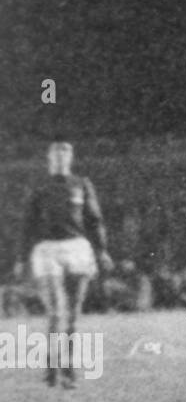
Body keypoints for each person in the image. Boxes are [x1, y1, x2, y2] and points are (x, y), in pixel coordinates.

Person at [15, 140, 113, 388]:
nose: (60, 156)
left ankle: (68, 369)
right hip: (47, 250)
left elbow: (94, 220)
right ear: (49, 158)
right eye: (56, 152)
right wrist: (21, 257)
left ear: (70, 157)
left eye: (65, 152)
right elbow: (27, 224)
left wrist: (101, 250)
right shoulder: (38, 188)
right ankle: (51, 366)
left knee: (73, 315)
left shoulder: (81, 184)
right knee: (56, 311)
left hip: (77, 248)